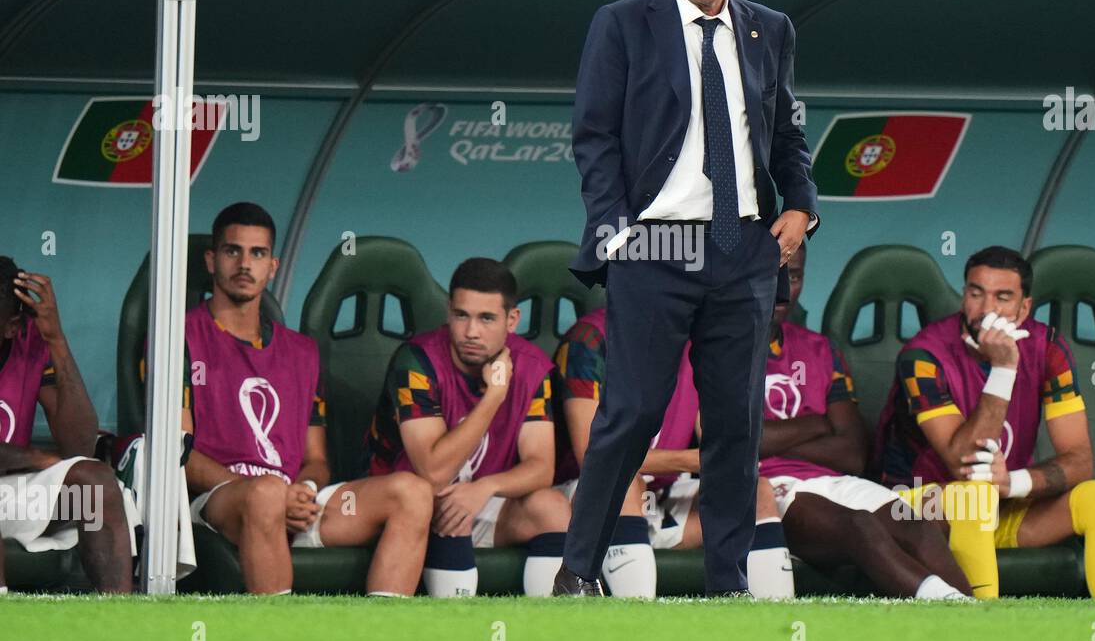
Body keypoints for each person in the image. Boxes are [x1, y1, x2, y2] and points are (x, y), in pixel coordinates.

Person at [559, 0, 819, 597]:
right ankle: (577, 571)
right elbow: (594, 140)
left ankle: (728, 584)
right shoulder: (623, 24)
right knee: (632, 411)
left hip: (742, 248)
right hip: (652, 246)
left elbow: (789, 136)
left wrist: (801, 207)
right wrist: (615, 234)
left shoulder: (771, 29)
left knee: (735, 423)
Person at [178, 203, 432, 596]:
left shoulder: (302, 353)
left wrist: (306, 490)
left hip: (295, 501)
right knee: (264, 494)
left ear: (273, 266)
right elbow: (179, 453)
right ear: (212, 260)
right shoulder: (179, 336)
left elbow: (316, 459)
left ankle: (387, 640)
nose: (245, 264)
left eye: (258, 253)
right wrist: (271, 494)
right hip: (220, 500)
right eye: (233, 251)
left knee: (412, 493)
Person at [877, 246, 1095, 600]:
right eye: (975, 293)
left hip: (996, 506)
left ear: (1024, 307)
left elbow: (1080, 461)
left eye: (1003, 297)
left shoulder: (1048, 347)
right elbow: (963, 462)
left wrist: (1012, 483)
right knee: (974, 495)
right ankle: (983, 629)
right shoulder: (923, 355)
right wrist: (1003, 368)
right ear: (964, 294)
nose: (986, 310)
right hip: (917, 509)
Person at [762, 244, 971, 599]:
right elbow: (740, 441)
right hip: (766, 488)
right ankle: (955, 606)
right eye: (772, 274)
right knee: (860, 524)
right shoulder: (715, 346)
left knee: (917, 522)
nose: (784, 289)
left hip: (834, 479)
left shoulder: (821, 349)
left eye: (794, 276)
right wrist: (817, 423)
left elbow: (852, 454)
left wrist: (775, 437)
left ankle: (976, 613)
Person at [366, 257, 570, 597]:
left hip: (478, 499)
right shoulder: (416, 361)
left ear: (512, 320)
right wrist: (494, 397)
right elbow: (433, 471)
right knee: (440, 499)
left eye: (486, 318)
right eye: (462, 315)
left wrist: (484, 488)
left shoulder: (532, 367)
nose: (471, 331)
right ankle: (451, 630)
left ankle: (549, 632)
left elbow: (541, 468)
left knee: (551, 507)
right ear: (449, 312)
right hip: (411, 506)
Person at [554, 308, 793, 598]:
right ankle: (638, 624)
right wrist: (692, 460)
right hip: (588, 500)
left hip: (663, 498)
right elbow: (592, 455)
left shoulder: (698, 340)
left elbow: (715, 434)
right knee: (626, 483)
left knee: (755, 492)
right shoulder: (590, 339)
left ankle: (774, 626)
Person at [0, 257, 135, 593]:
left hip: (11, 494)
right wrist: (41, 459)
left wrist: (55, 339)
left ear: (12, 326)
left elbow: (79, 446)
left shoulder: (28, 344)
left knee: (95, 484)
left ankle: (121, 621)